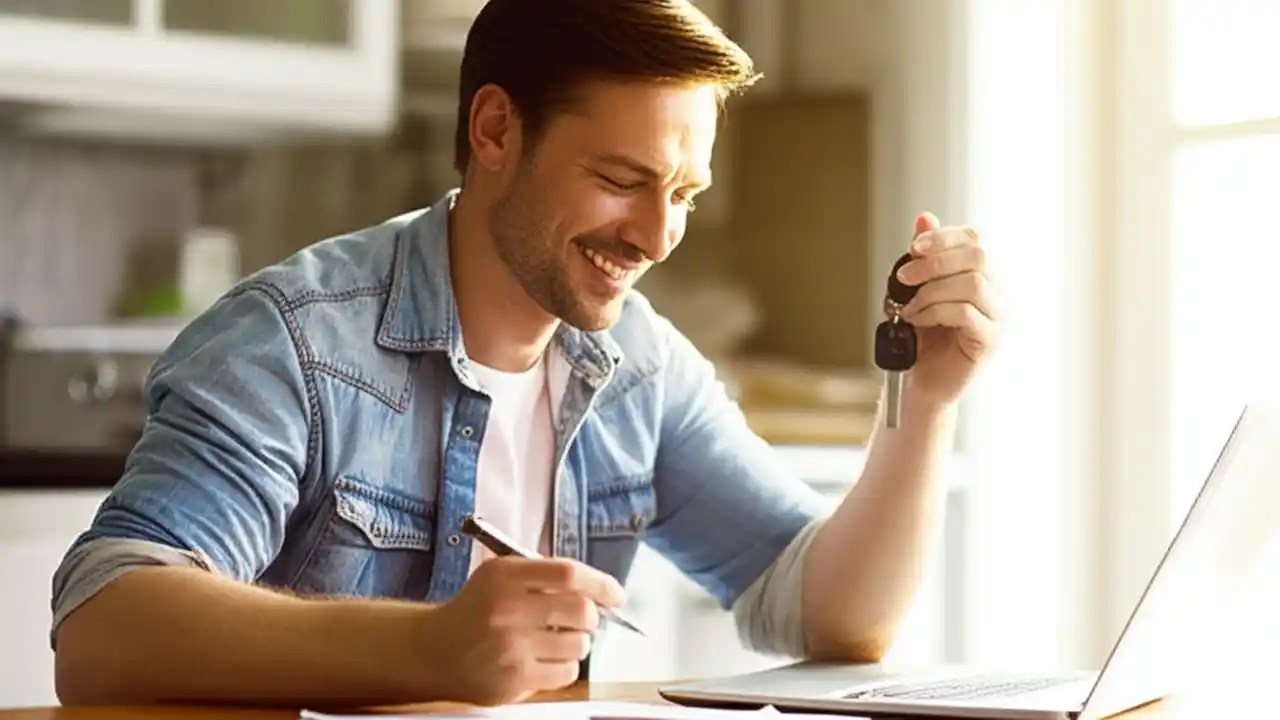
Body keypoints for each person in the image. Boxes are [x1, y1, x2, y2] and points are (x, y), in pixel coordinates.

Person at [50, 0, 1000, 708]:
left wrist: (924, 407)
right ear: (496, 129)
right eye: (622, 180)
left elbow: (834, 618)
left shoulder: (640, 365)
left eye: (686, 192)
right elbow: (104, 623)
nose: (660, 237)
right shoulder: (293, 340)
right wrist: (430, 652)